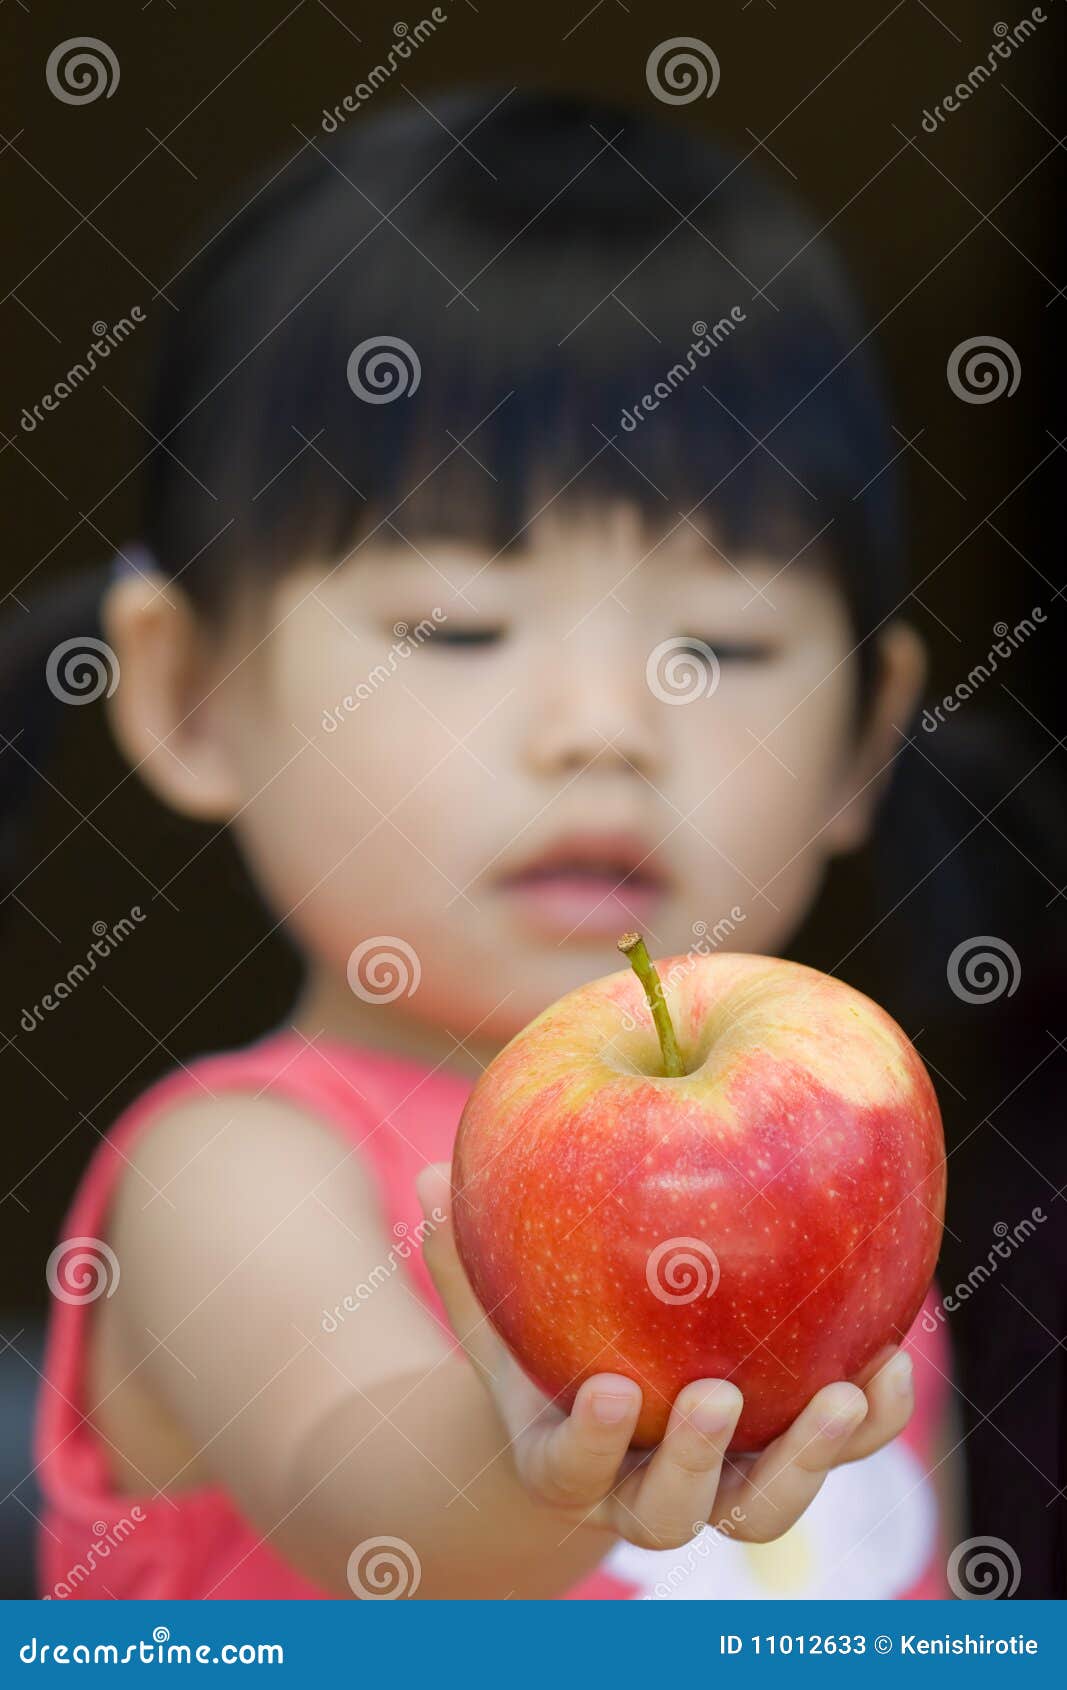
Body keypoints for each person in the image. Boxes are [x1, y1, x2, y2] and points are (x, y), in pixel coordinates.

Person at [23, 89, 963, 1600]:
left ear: (866, 735)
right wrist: (543, 1452)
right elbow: (387, 1507)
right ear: (191, 697)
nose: (606, 727)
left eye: (720, 645)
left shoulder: (867, 1197)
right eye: (457, 625)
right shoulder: (236, 1171)